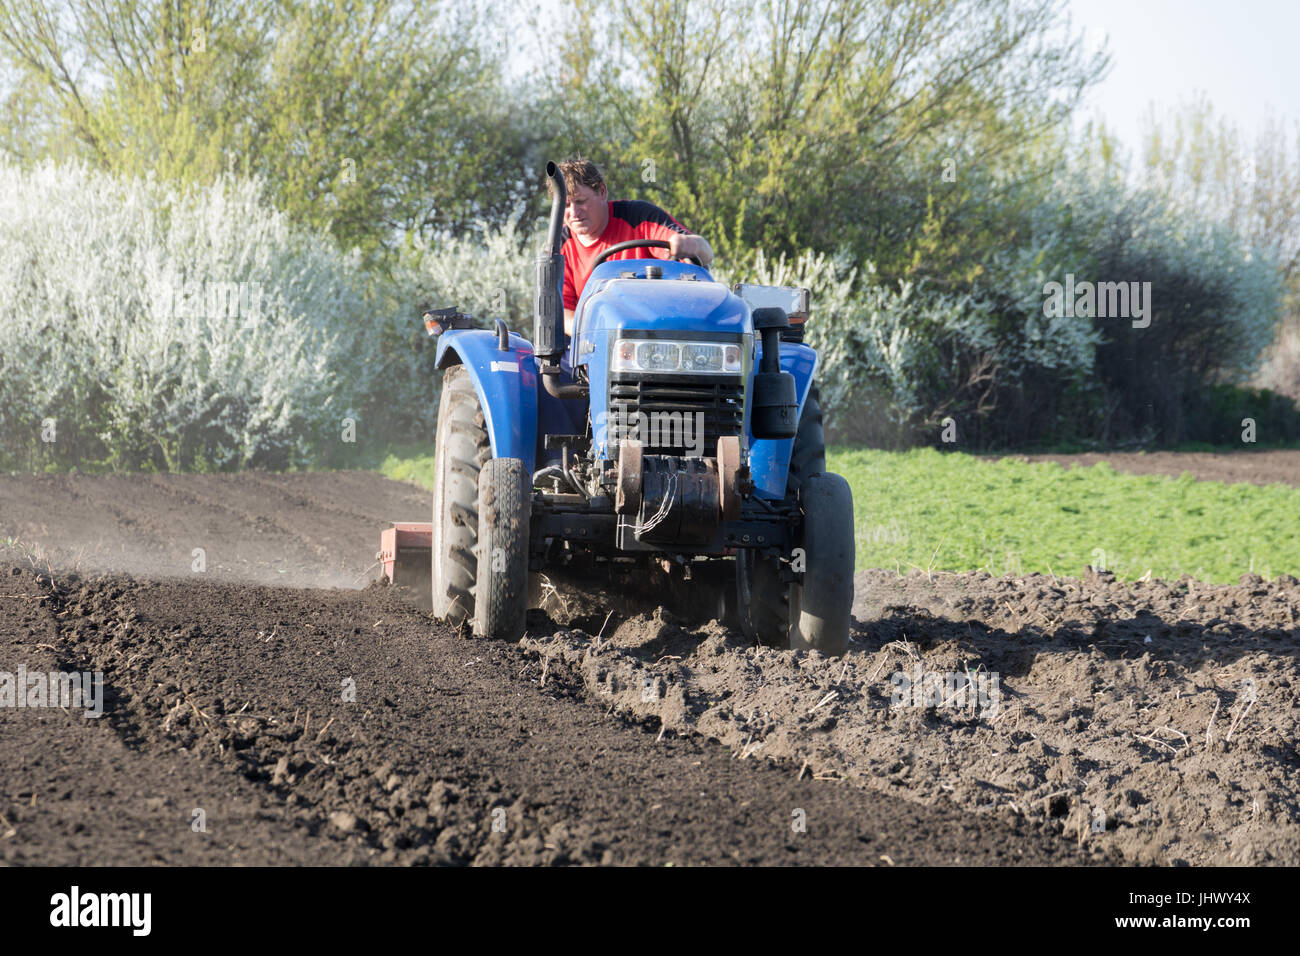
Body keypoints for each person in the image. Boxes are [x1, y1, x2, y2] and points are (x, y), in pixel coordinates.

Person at [548, 157, 714, 336]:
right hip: (597, 338)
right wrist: (592, 331)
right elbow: (563, 312)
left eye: (580, 201)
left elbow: (704, 252)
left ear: (602, 192)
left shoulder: (638, 217)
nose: (574, 212)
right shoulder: (560, 246)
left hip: (656, 332)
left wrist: (692, 244)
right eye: (566, 205)